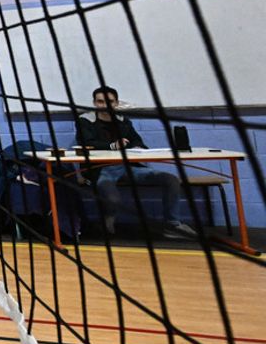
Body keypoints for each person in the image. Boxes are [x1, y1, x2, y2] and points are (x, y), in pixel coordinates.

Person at [75, 85, 196, 240]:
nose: (105, 105)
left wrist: (138, 147)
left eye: (109, 101)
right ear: (94, 103)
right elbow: (86, 142)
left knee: (171, 179)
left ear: (116, 103)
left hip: (129, 167)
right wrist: (112, 146)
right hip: (101, 169)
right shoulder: (85, 120)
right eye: (100, 101)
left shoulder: (124, 121)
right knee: (112, 199)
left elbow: (137, 141)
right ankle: (107, 222)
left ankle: (173, 225)